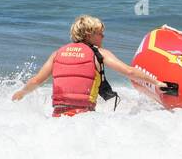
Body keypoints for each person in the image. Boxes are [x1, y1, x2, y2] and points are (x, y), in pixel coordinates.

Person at [12, 15, 162, 115]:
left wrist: (20, 94)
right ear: (89, 35)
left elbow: (36, 81)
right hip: (85, 119)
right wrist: (157, 83)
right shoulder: (100, 53)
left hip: (58, 117)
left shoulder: (57, 53)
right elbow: (129, 72)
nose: (103, 36)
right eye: (100, 33)